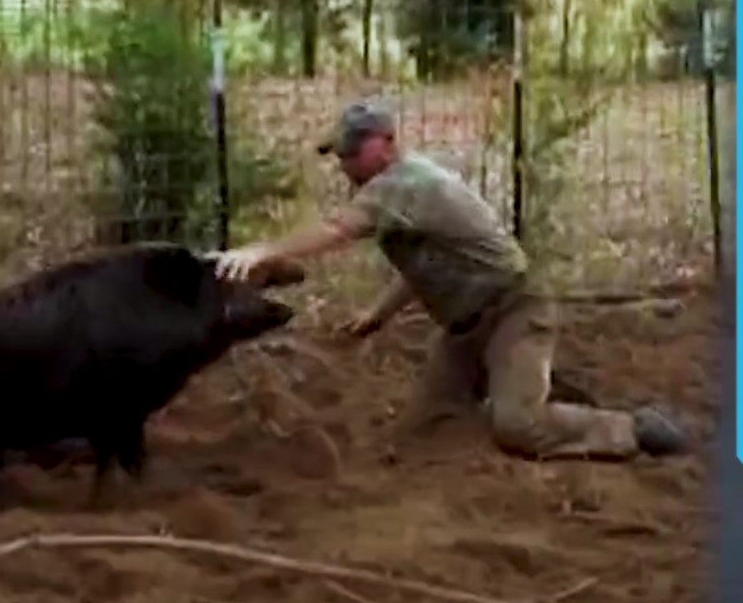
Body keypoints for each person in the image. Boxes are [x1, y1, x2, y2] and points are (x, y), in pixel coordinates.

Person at [209, 97, 687, 460]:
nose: (345, 162)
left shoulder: (406, 183)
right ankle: (525, 388)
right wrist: (378, 314)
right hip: (463, 331)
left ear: (386, 142)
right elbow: (425, 268)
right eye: (341, 152)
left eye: (353, 149)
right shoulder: (396, 192)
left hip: (514, 310)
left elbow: (338, 230)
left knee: (518, 427)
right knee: (425, 428)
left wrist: (264, 250)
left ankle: (630, 429)